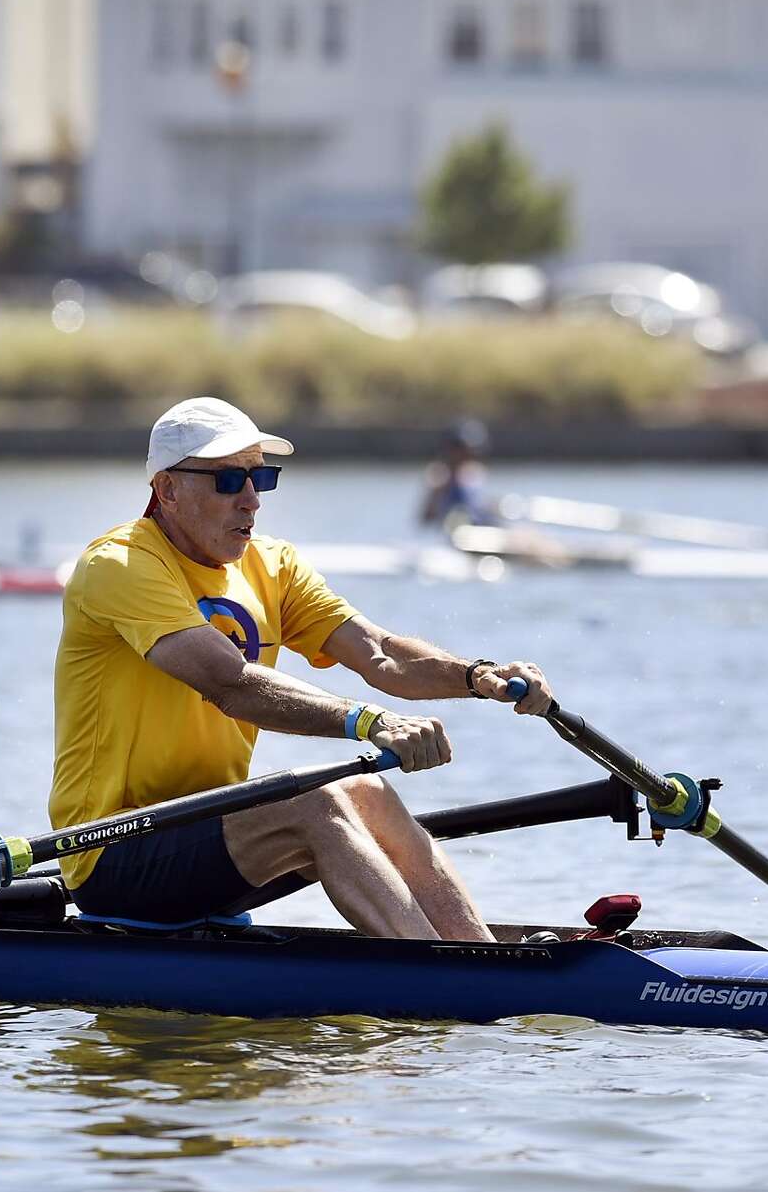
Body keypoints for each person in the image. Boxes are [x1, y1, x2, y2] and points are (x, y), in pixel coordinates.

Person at [50, 396, 554, 942]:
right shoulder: (120, 565)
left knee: (368, 792)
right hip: (113, 852)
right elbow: (229, 682)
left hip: (211, 829)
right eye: (227, 481)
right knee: (316, 802)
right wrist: (371, 723)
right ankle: (441, 975)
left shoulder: (273, 565)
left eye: (260, 477)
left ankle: (475, 955)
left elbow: (381, 654)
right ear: (167, 490)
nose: (251, 501)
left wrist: (477, 676)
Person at [418, 419, 496, 526]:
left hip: (476, 531)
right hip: (451, 533)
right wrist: (441, 489)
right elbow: (426, 518)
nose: (464, 455)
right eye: (459, 449)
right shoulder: (439, 476)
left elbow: (479, 510)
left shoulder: (476, 472)